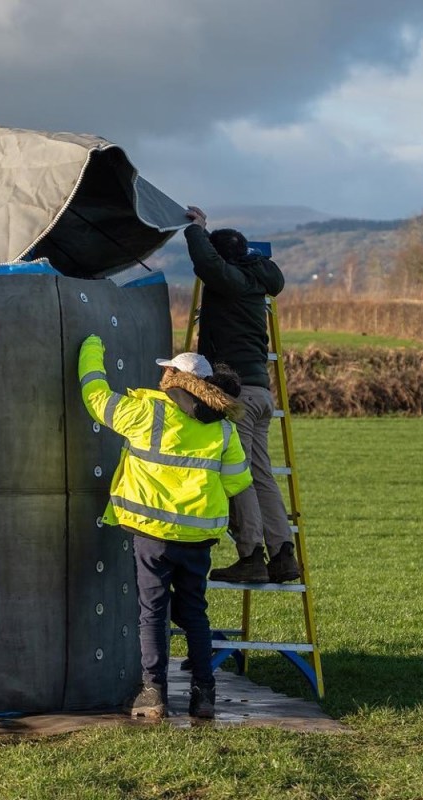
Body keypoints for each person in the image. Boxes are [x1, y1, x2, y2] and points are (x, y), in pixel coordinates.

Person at [78, 336, 251, 720]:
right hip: (199, 537)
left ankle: (153, 694)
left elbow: (96, 397)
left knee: (152, 612)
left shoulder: (145, 413)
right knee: (195, 613)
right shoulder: (223, 428)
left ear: (174, 377)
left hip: (153, 535)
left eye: (166, 370)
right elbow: (238, 481)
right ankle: (204, 695)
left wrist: (91, 349)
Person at [183, 205, 301, 584]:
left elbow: (206, 263)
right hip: (262, 394)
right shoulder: (256, 276)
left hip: (240, 397)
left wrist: (197, 230)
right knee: (262, 475)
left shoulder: (227, 280)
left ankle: (250, 554)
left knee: (241, 477)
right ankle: (283, 554)